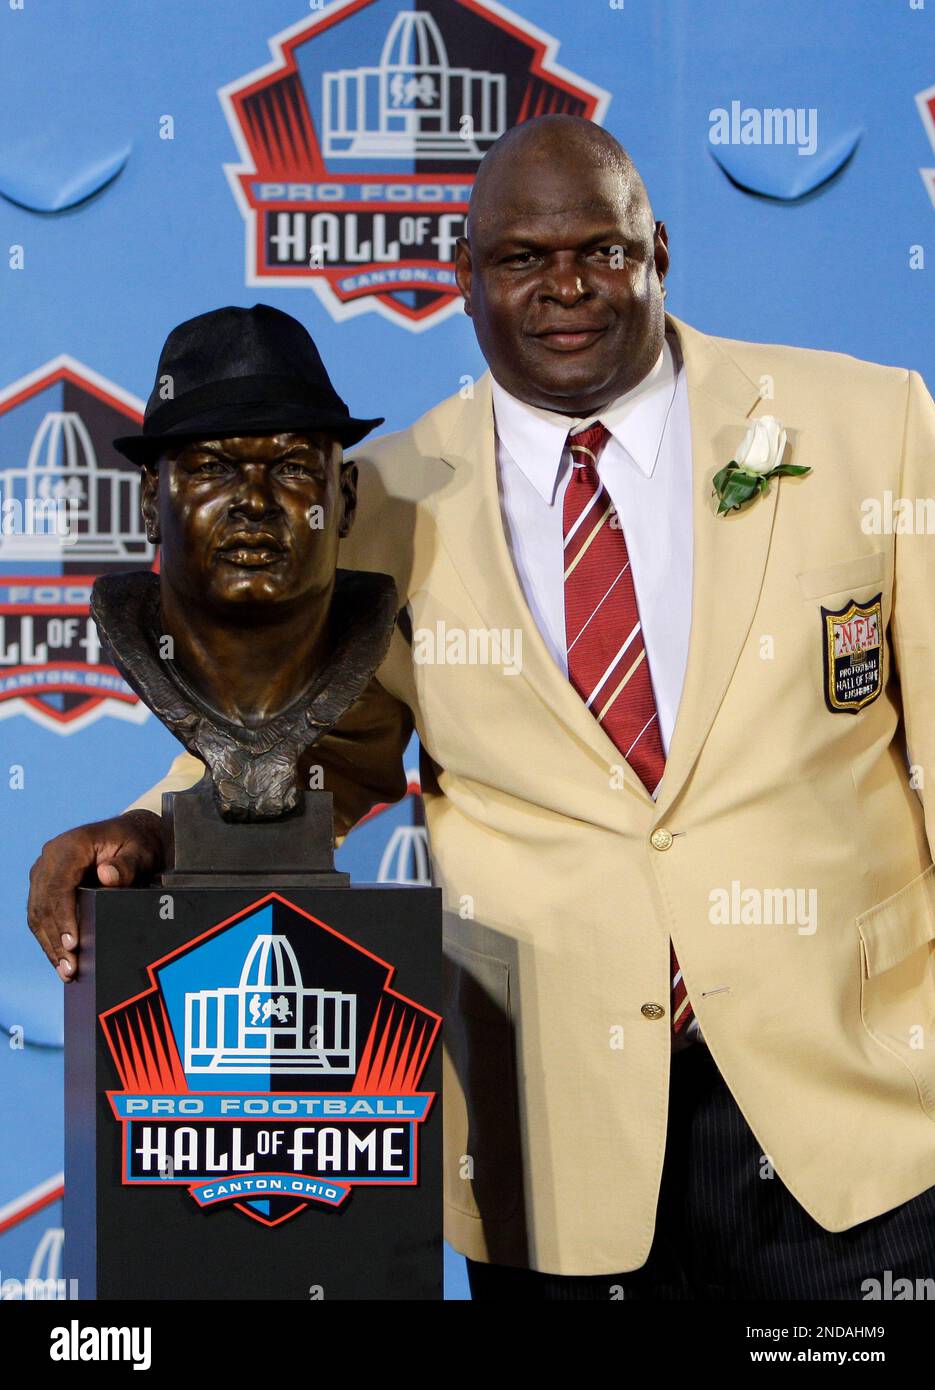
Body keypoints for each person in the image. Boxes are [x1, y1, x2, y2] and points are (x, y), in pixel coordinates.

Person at [29, 114, 935, 1300]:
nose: (567, 286)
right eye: (520, 258)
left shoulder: (870, 428)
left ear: (657, 250)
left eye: (601, 251)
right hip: (553, 1141)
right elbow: (321, 742)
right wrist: (150, 827)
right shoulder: (387, 501)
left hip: (858, 1122)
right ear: (462, 278)